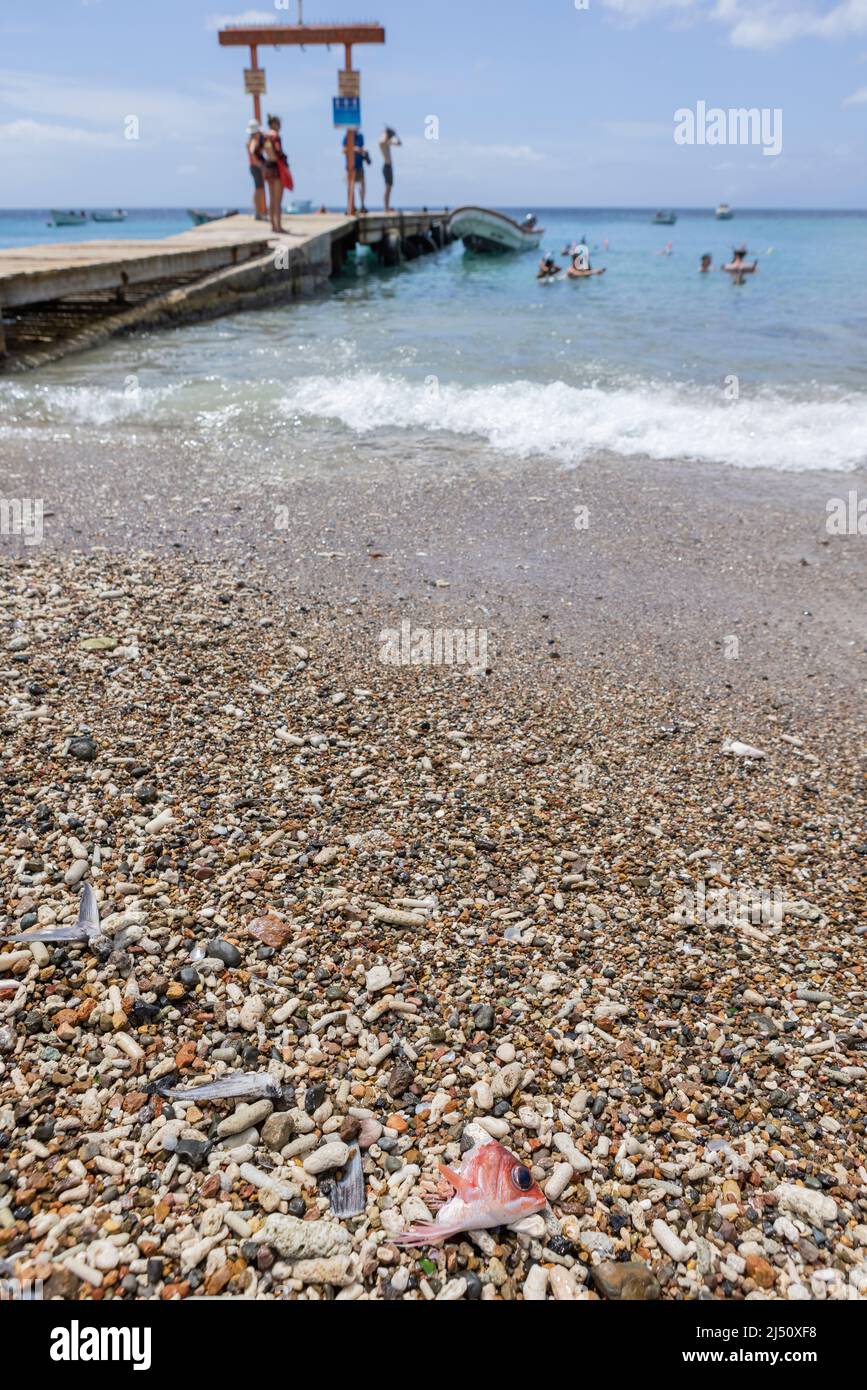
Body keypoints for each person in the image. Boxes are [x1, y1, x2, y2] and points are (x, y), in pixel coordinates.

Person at [259, 114, 289, 233]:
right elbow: (277, 152)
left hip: (268, 167)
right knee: (278, 199)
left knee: (271, 198)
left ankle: (273, 225)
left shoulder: (265, 136)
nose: (280, 127)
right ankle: (279, 226)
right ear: (274, 124)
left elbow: (260, 151)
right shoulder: (275, 136)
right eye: (279, 125)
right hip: (276, 168)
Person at [343, 130, 371, 212]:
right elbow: (344, 150)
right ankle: (351, 206)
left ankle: (362, 206)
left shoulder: (360, 136)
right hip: (350, 167)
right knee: (350, 186)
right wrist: (355, 149)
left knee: (362, 186)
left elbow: (362, 148)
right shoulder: (347, 136)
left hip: (359, 166)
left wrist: (364, 152)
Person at [246, 119, 266, 220]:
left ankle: (258, 212)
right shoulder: (253, 141)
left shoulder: (251, 140)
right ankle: (258, 212)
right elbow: (252, 152)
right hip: (256, 167)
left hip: (253, 167)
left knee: (258, 189)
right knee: (260, 189)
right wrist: (259, 164)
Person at [379, 127, 401, 211]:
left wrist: (395, 135)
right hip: (386, 167)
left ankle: (387, 207)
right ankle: (386, 207)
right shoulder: (382, 141)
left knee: (389, 188)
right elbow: (382, 141)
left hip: (389, 167)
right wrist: (386, 132)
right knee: (387, 188)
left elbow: (399, 143)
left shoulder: (388, 142)